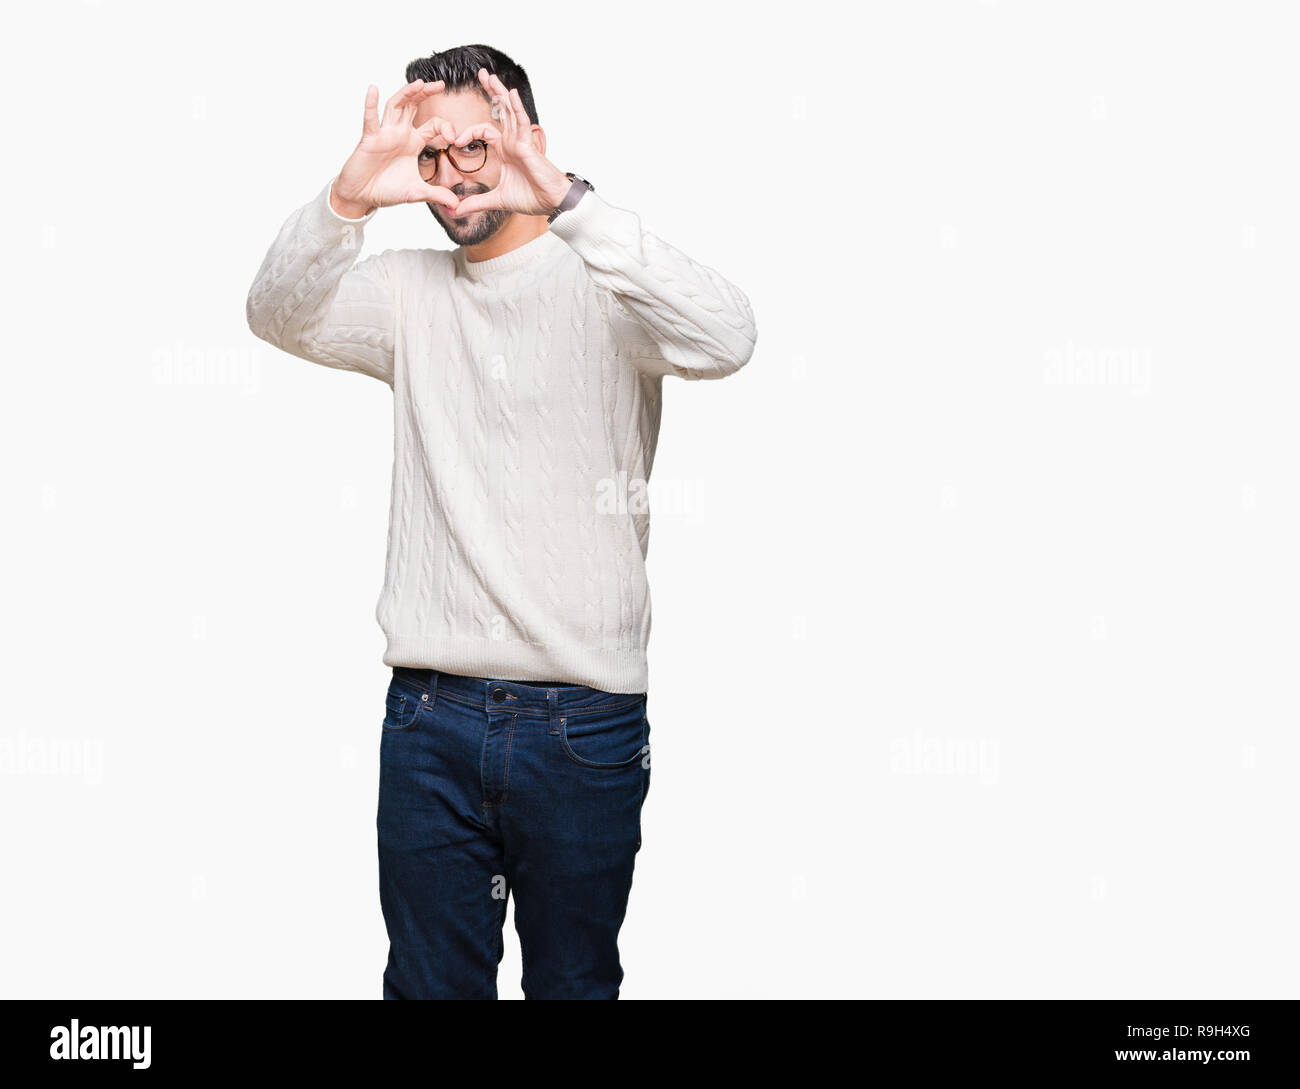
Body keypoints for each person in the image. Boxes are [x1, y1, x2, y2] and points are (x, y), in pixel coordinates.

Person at [245, 43, 756, 999]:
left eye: (477, 144)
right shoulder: (406, 294)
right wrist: (350, 196)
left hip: (583, 718)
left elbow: (728, 337)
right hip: (431, 715)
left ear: (530, 140)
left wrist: (567, 201)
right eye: (431, 154)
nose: (453, 172)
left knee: (574, 986)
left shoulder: (607, 283)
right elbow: (276, 313)